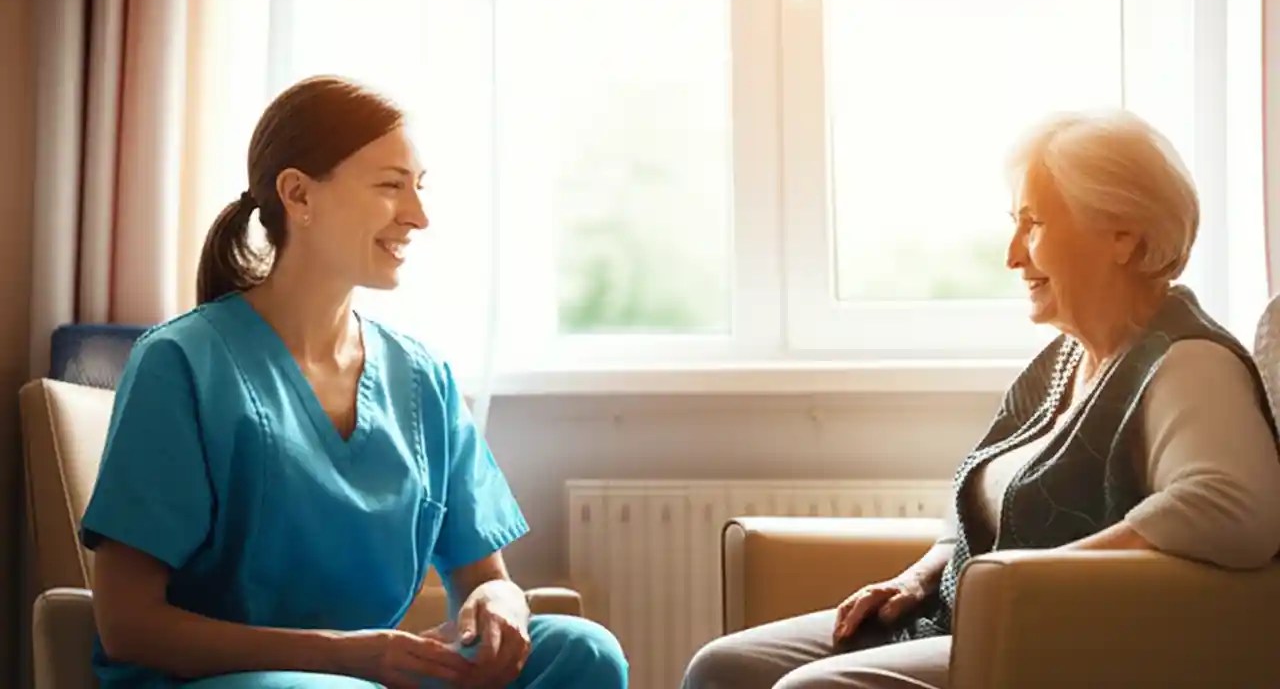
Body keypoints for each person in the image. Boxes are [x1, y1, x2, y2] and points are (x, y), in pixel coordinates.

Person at [682, 109, 1280, 689]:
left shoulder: (1187, 362)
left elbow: (1234, 511)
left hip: (1061, 646)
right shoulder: (1064, 361)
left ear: (1122, 234)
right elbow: (988, 513)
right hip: (959, 617)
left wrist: (1033, 584)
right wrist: (915, 580)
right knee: (723, 669)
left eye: (1034, 224)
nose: (1013, 254)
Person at [81, 76, 627, 689]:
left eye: (418, 187)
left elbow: (486, 578)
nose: (419, 216)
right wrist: (341, 657)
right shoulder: (180, 363)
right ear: (298, 194)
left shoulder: (421, 377)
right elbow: (128, 625)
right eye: (391, 186)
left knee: (583, 650)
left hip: (370, 677)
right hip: (230, 680)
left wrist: (501, 604)